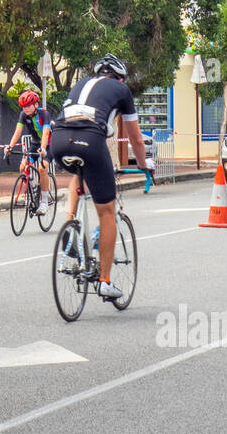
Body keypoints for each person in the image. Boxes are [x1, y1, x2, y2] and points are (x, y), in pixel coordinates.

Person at [47, 54, 153, 300]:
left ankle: (71, 225)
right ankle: (104, 281)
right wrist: (143, 164)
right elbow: (136, 139)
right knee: (106, 212)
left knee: (79, 172)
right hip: (91, 142)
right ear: (120, 78)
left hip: (59, 141)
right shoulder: (122, 90)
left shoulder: (81, 83)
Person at [6, 89, 53, 216]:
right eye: (23, 107)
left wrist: (43, 148)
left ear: (36, 105)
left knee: (42, 168)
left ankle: (44, 202)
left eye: (28, 106)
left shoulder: (44, 114)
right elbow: (18, 131)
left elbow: (45, 133)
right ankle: (32, 189)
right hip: (35, 143)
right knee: (23, 167)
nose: (25, 109)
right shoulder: (23, 115)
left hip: (49, 144)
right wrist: (10, 147)